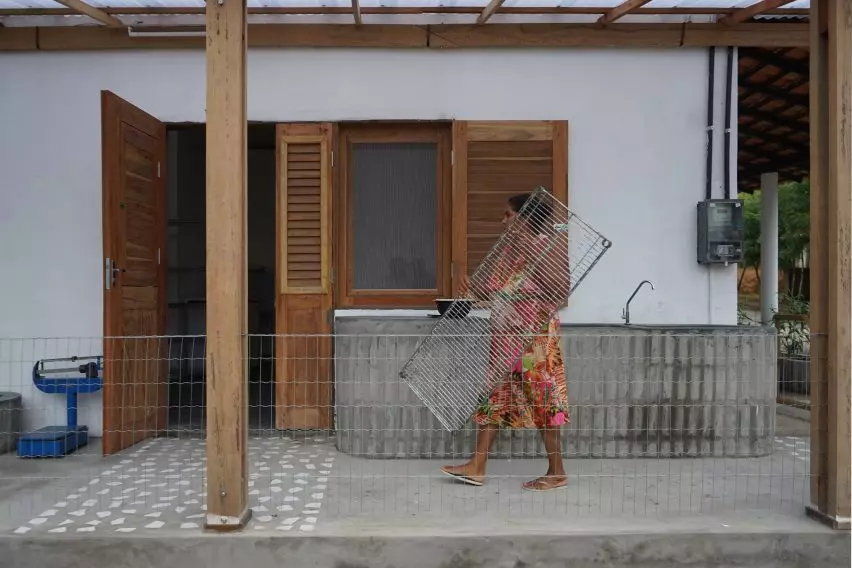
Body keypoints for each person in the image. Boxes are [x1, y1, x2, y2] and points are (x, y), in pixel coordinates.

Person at [441, 193, 571, 492]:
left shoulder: (548, 246)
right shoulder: (508, 251)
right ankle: (477, 465)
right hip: (504, 339)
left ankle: (557, 471)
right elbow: (498, 288)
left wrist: (527, 249)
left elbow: (559, 289)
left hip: (533, 340)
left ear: (524, 218)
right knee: (494, 399)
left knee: (543, 400)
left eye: (507, 215)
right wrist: (471, 285)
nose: (503, 221)